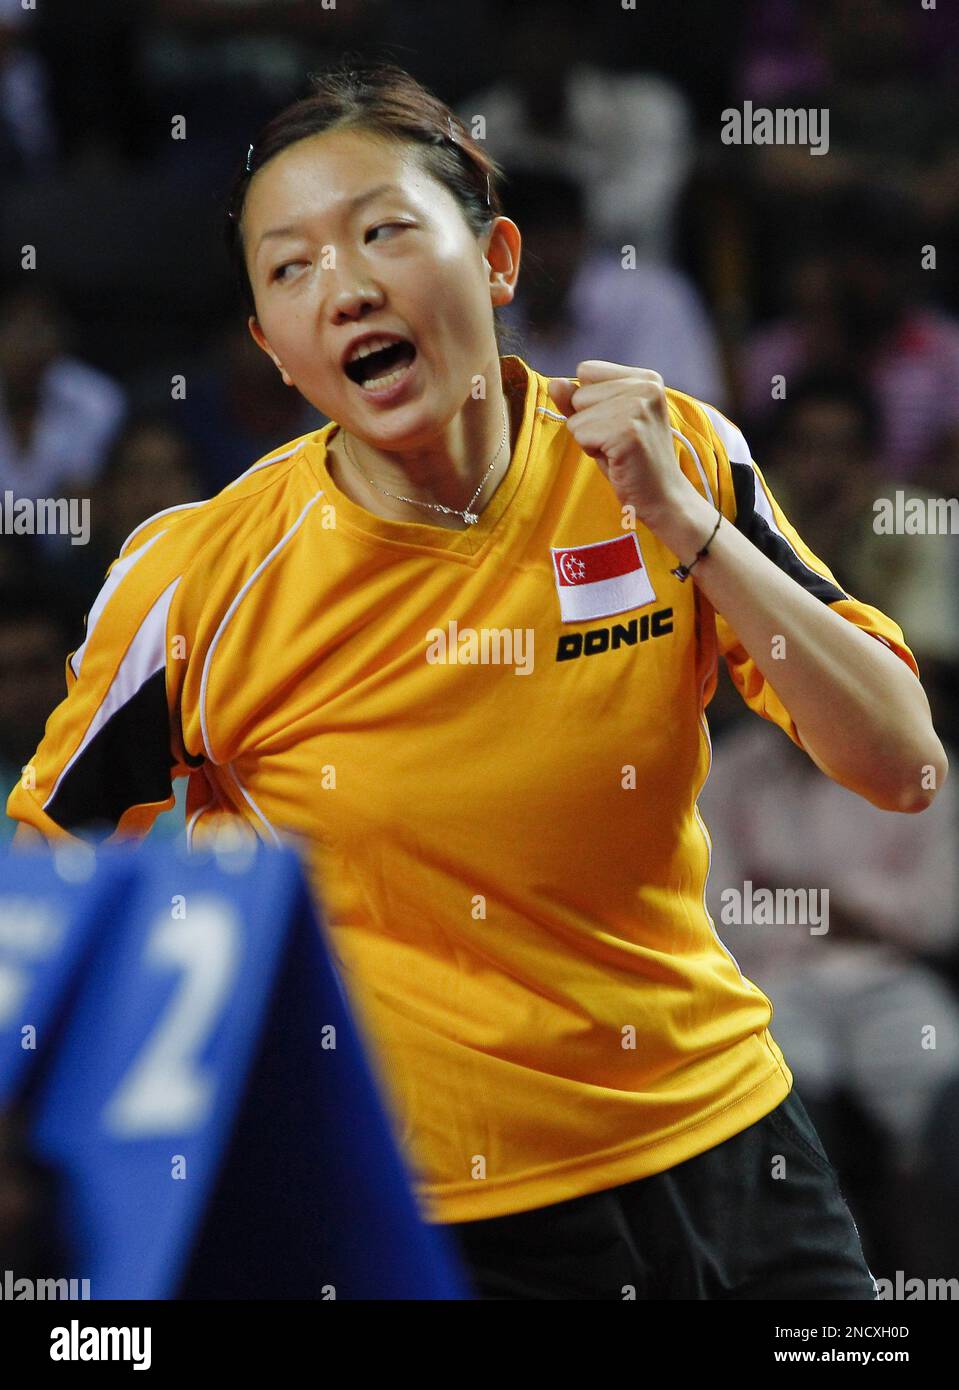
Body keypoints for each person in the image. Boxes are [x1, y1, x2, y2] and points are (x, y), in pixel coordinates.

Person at [6, 61, 948, 1301]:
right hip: (438, 1222)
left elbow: (901, 765)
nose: (340, 287)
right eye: (288, 269)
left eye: (383, 231)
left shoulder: (667, 455)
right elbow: (40, 890)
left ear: (496, 258)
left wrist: (687, 527)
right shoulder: (201, 578)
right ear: (272, 352)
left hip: (730, 1148)